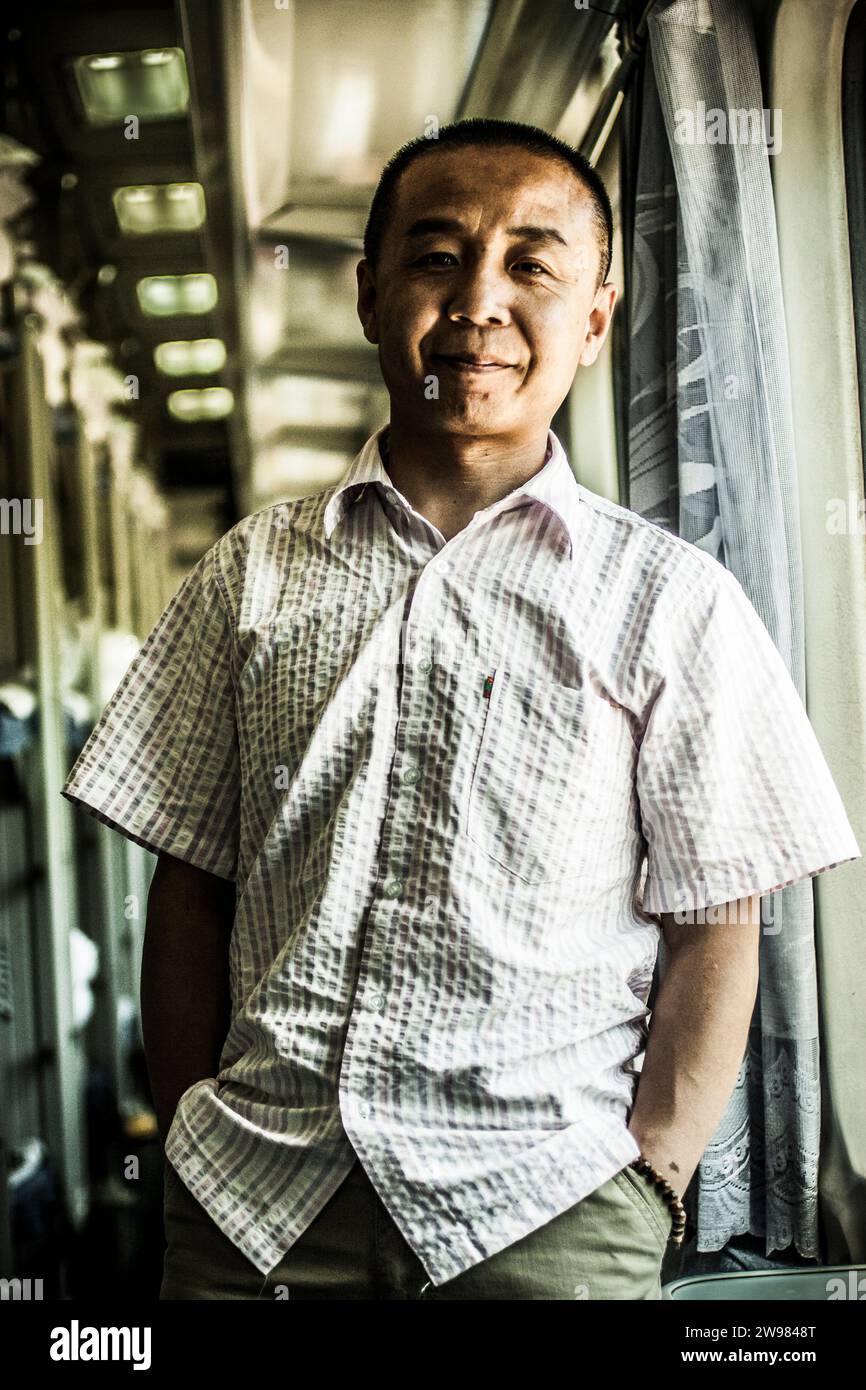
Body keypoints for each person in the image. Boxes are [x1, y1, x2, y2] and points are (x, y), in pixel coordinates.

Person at [62, 117, 861, 1301]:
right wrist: (188, 1131)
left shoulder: (669, 600)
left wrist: (650, 1182)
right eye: (435, 257)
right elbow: (191, 884)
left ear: (593, 317)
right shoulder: (247, 572)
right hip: (257, 1209)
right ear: (368, 295)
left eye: (530, 263)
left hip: (544, 1213)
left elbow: (716, 922)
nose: (477, 301)